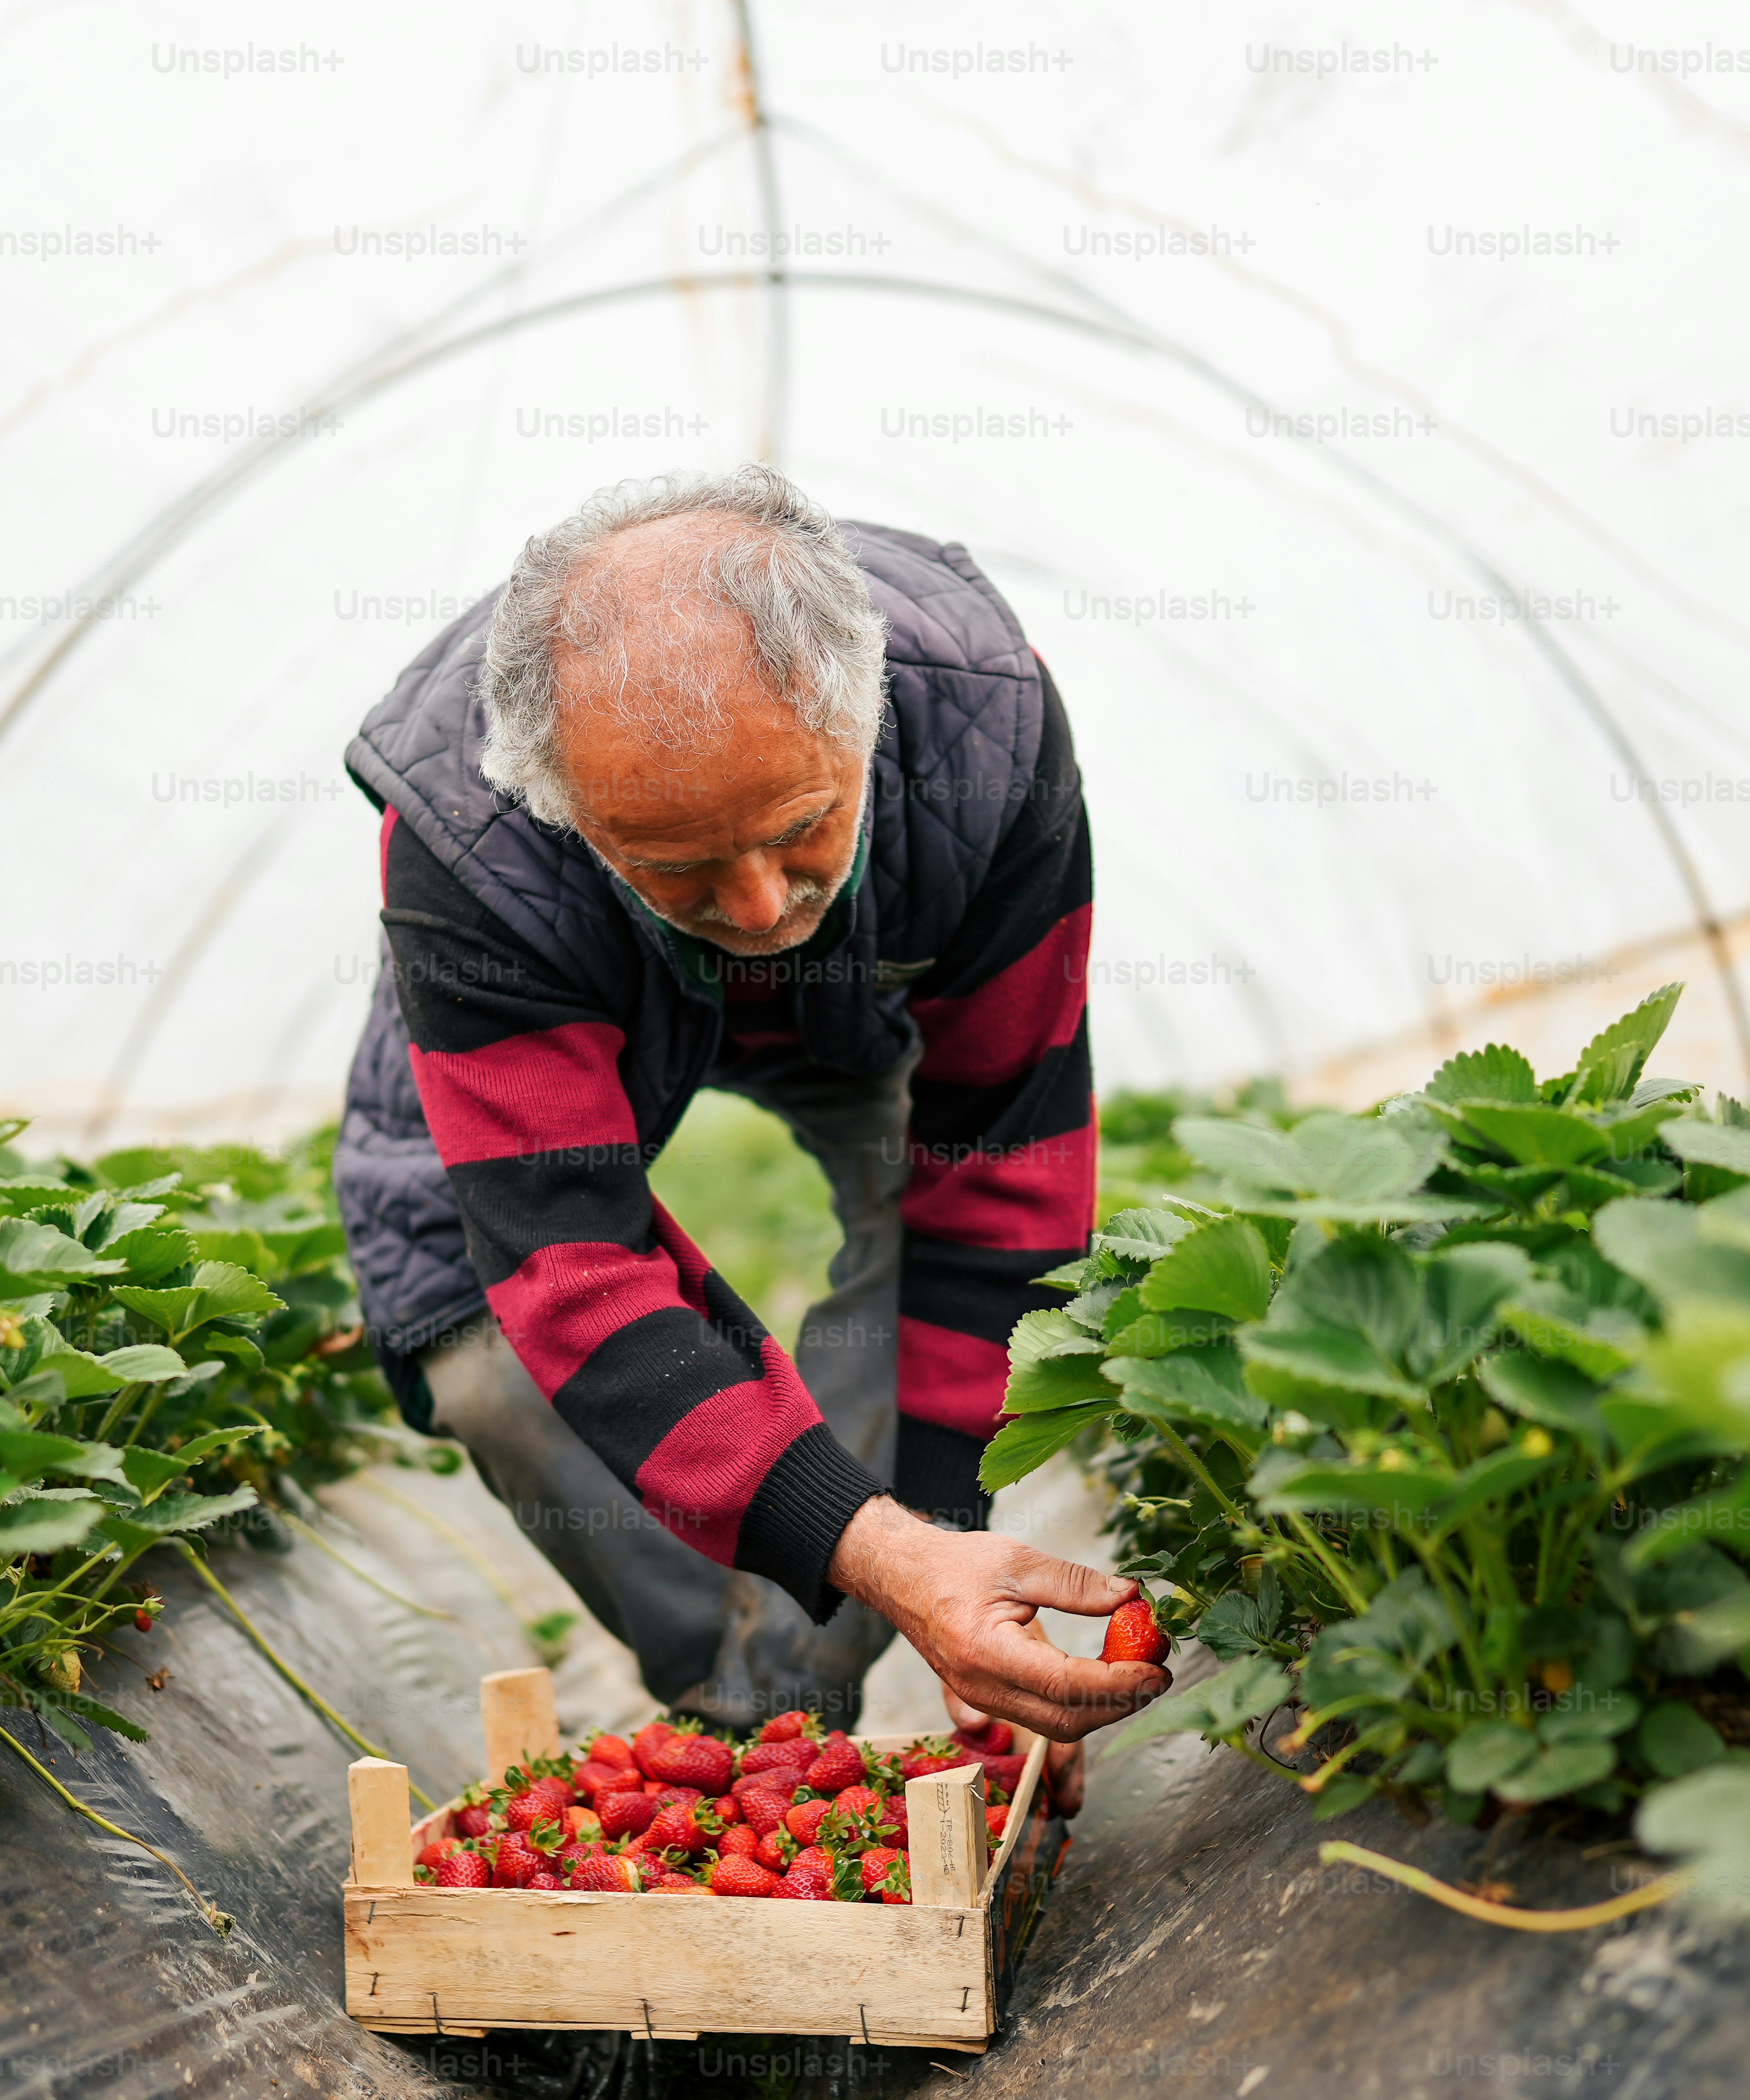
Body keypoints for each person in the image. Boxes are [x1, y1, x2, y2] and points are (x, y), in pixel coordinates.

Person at [330, 466, 1162, 1805]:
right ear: (564, 802)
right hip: (574, 998)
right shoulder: (468, 836)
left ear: (865, 708)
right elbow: (571, 1272)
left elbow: (997, 1181)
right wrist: (877, 1551)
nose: (763, 902)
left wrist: (950, 1550)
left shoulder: (986, 731)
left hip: (871, 1009)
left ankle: (797, 1687)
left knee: (937, 1281)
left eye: (799, 827)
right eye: (674, 862)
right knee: (475, 1344)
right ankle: (736, 1700)